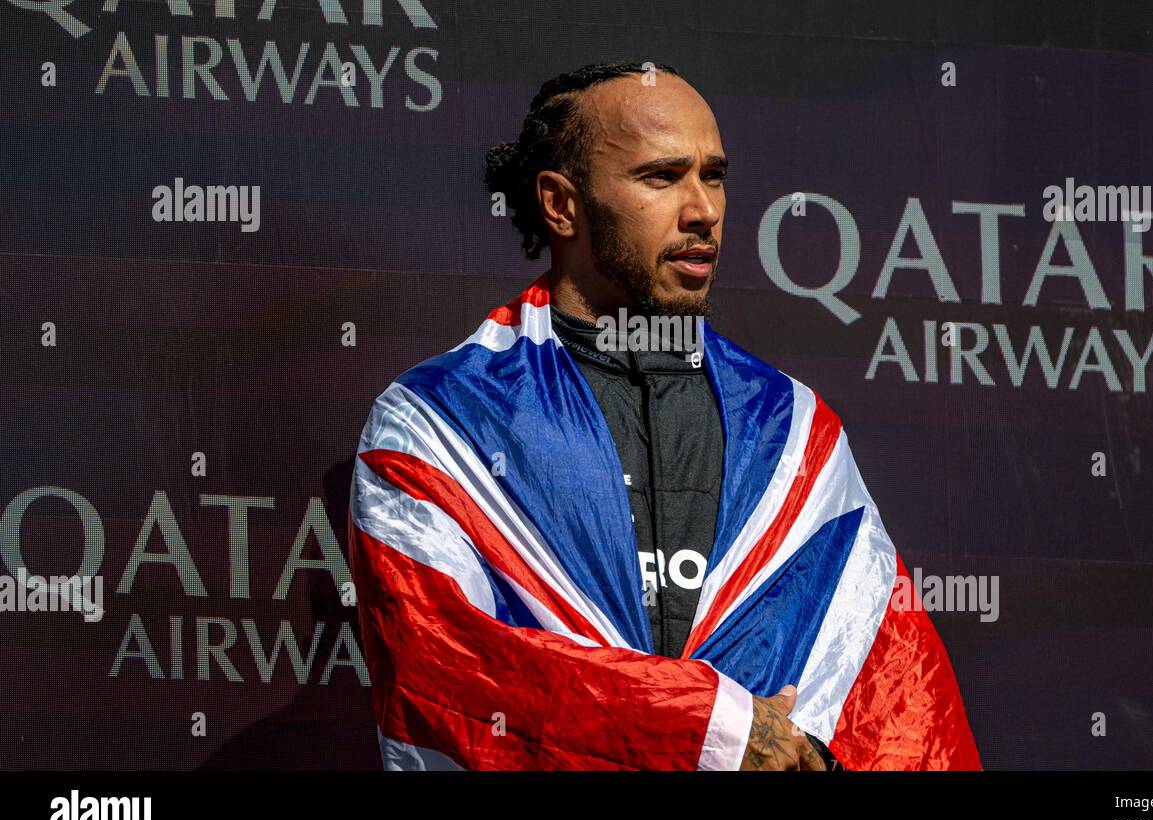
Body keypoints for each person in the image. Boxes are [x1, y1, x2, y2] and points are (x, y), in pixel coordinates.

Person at [348, 61, 981, 771]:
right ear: (561, 205)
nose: (703, 209)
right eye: (662, 177)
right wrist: (714, 731)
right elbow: (447, 667)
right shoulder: (441, 424)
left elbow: (897, 701)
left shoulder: (793, 429)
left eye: (713, 175)